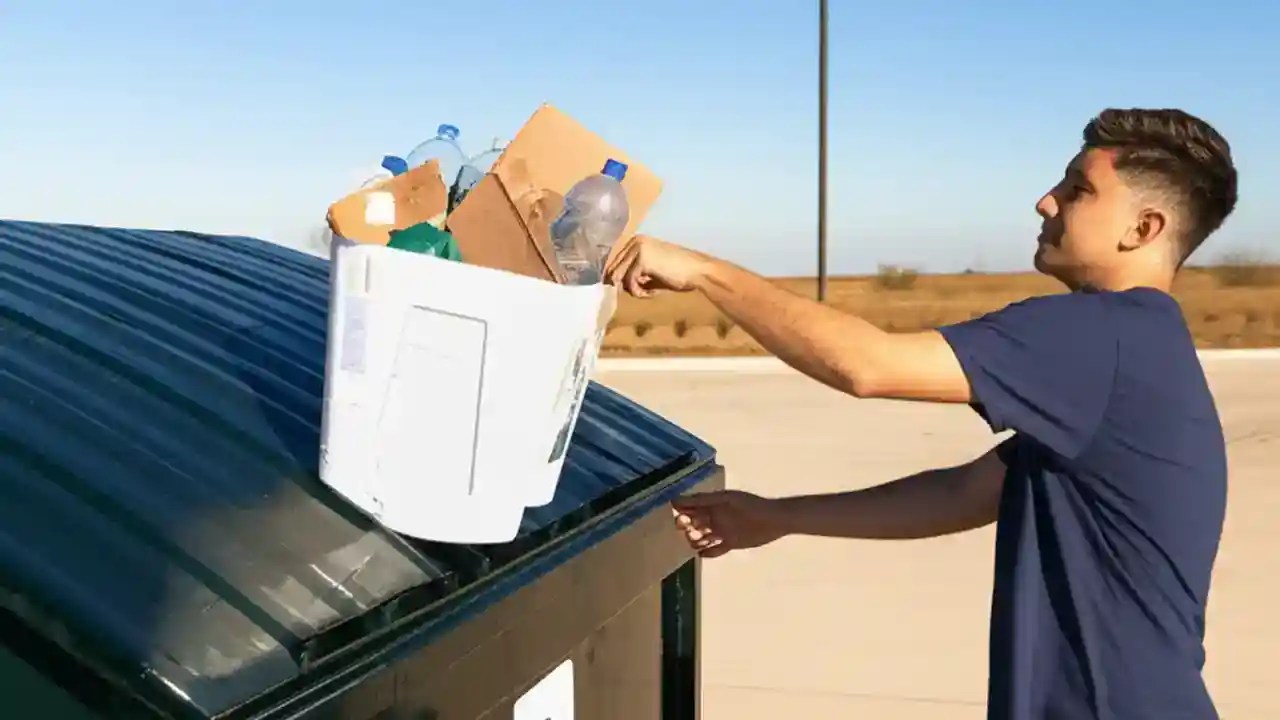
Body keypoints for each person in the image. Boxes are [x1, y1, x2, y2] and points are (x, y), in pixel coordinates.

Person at [603, 108, 1238, 719]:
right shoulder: (1138, 351)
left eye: (1077, 190)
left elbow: (866, 365)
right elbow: (966, 491)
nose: (1046, 201)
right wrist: (777, 516)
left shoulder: (1099, 336)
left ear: (1144, 228)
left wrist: (705, 272)